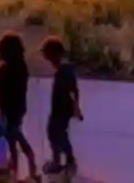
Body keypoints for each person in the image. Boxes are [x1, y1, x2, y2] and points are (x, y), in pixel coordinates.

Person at [0, 32, 39, 181]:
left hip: (7, 109)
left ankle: (28, 165)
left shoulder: (4, 70)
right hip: (19, 108)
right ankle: (18, 169)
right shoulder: (22, 68)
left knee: (14, 137)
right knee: (13, 138)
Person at [41, 37, 82, 176]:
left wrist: (75, 106)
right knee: (59, 133)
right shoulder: (68, 69)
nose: (48, 60)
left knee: (55, 134)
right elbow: (75, 90)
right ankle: (64, 159)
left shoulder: (63, 71)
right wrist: (76, 106)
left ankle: (59, 161)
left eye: (48, 56)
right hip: (64, 108)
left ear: (55, 54)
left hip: (61, 109)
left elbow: (70, 90)